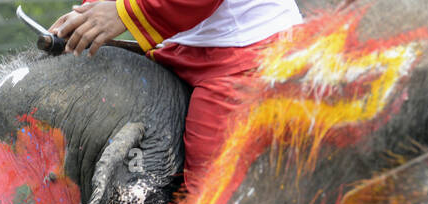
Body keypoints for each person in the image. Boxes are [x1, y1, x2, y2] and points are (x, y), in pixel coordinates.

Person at [49, 0, 302, 187]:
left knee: (212, 188)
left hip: (250, 48)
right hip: (177, 44)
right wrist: (86, 16)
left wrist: (123, 12)